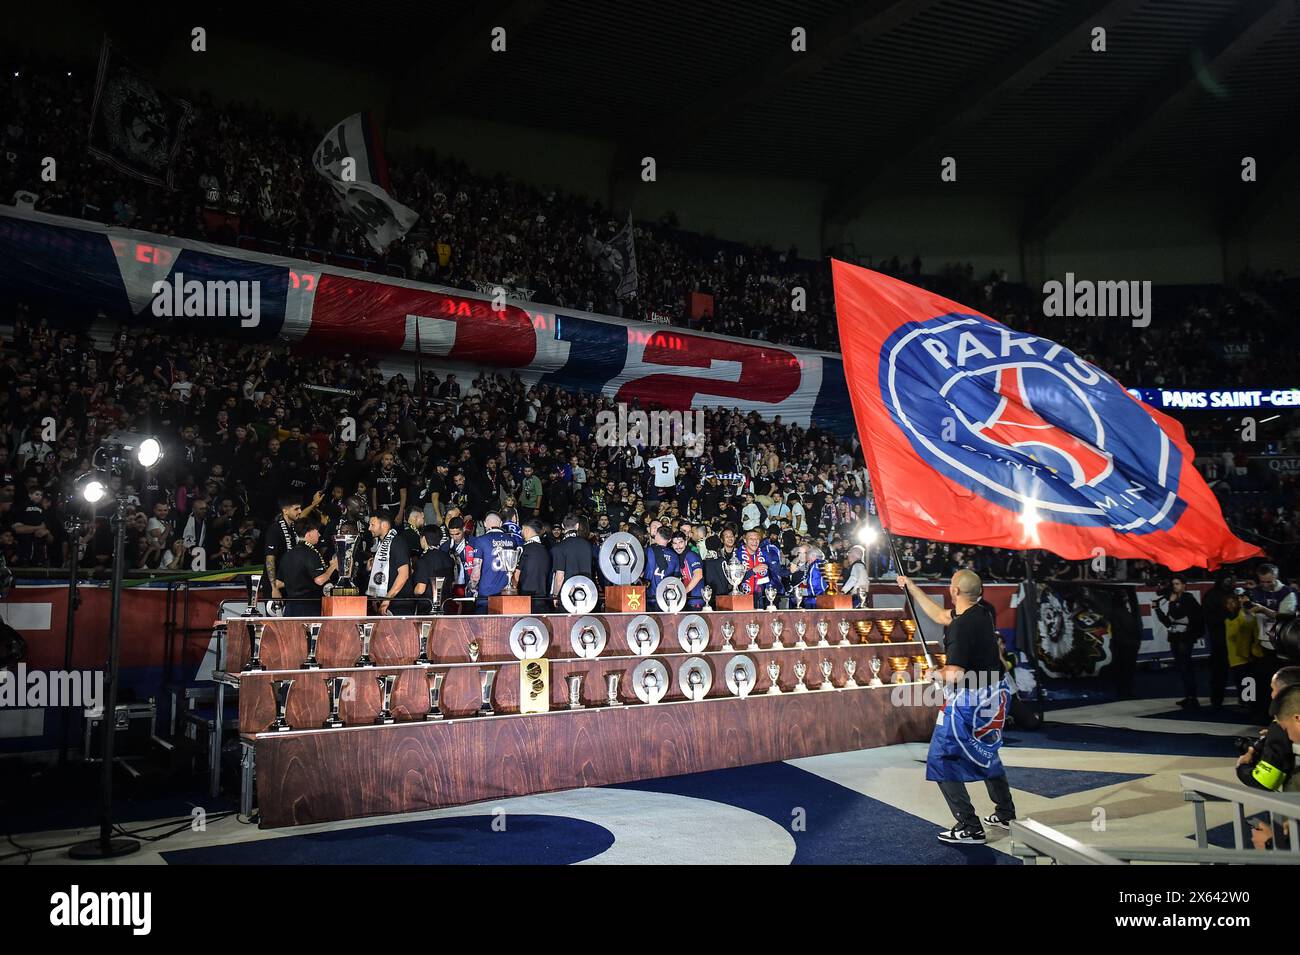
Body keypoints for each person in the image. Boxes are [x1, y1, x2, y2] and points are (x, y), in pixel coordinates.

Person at [898, 570, 1016, 844]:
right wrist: (911, 586)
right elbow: (940, 615)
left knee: (941, 759)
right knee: (986, 751)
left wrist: (933, 674)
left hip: (970, 700)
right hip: (995, 695)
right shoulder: (982, 613)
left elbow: (954, 673)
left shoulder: (961, 628)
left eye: (951, 585)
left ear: (956, 592)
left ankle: (970, 827)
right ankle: (1006, 812)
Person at [1154, 576, 1205, 708]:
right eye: (1173, 584)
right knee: (1181, 667)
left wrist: (1171, 603)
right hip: (1175, 636)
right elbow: (1167, 622)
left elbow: (1178, 616)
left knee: (1186, 666)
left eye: (1177, 584)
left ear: (1184, 585)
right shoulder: (1176, 599)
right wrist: (1157, 609)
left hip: (1185, 636)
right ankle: (1188, 696)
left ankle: (1192, 697)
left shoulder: (1188, 599)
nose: (1175, 586)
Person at [276, 518, 336, 617]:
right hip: (309, 607)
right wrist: (334, 565)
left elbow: (278, 583)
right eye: (317, 531)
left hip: (290, 608)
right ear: (309, 534)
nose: (319, 535)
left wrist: (297, 581)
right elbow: (320, 580)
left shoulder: (287, 554)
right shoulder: (311, 554)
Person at [468, 512, 518, 613]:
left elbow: (476, 572)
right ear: (500, 524)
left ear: (485, 524)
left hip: (486, 595)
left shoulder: (481, 540)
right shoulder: (512, 540)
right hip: (506, 593)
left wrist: (472, 587)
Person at [366, 509, 413, 615]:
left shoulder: (397, 542)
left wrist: (387, 599)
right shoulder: (382, 544)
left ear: (384, 524)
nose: (369, 528)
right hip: (387, 602)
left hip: (399, 604)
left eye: (372, 525)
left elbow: (404, 574)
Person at [1200, 573, 1235, 708]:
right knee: (1219, 671)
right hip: (1221, 640)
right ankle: (1216, 700)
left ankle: (1247, 700)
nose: (1230, 582)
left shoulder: (1236, 594)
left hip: (1238, 640)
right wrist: (1227, 619)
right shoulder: (1212, 596)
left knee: (1244, 673)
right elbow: (1208, 617)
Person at [265, 494, 302, 599]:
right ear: (285, 511)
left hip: (290, 584)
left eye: (300, 508)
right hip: (275, 585)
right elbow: (270, 558)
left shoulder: (295, 528)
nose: (300, 511)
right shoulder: (275, 529)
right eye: (296, 509)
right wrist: (274, 588)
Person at [549, 512, 594, 599]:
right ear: (577, 526)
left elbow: (560, 575)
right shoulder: (587, 545)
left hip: (568, 594)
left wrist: (555, 595)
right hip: (587, 593)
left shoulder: (559, 547)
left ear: (562, 526)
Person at [413, 525, 455, 612]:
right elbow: (452, 583)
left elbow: (420, 589)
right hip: (446, 607)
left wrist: (413, 591)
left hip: (428, 608)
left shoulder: (424, 560)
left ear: (424, 538)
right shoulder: (448, 558)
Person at [516, 520, 552, 613]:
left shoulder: (524, 550)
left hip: (525, 601)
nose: (521, 532)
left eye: (522, 529)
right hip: (543, 599)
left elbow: (516, 575)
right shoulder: (546, 550)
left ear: (527, 530)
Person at [645, 524, 680, 610]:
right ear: (669, 540)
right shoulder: (675, 556)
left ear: (657, 535)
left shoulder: (647, 551)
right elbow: (677, 579)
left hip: (648, 597)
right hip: (666, 598)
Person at [670, 528, 705, 609]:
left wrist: (683, 591)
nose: (678, 546)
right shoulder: (677, 557)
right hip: (685, 600)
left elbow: (698, 575)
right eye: (675, 543)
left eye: (680, 542)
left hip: (695, 601)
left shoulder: (691, 555)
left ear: (686, 542)